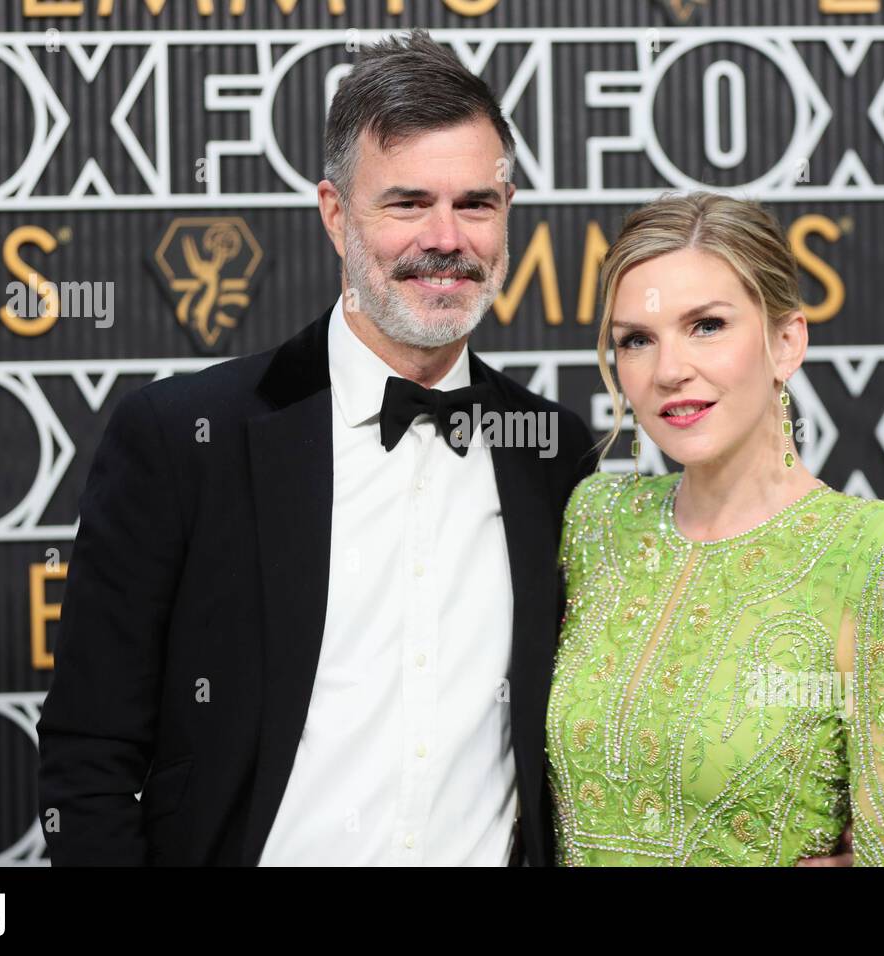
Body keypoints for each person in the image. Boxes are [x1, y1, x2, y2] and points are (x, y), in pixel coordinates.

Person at [37, 29, 596, 866]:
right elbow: (89, 755)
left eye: (474, 204)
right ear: (337, 215)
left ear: (506, 214)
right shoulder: (182, 439)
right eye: (407, 203)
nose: (445, 238)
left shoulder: (554, 451)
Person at [546, 192, 884, 865]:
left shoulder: (876, 554)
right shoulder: (594, 521)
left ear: (785, 341)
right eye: (637, 340)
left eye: (706, 325)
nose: (670, 370)